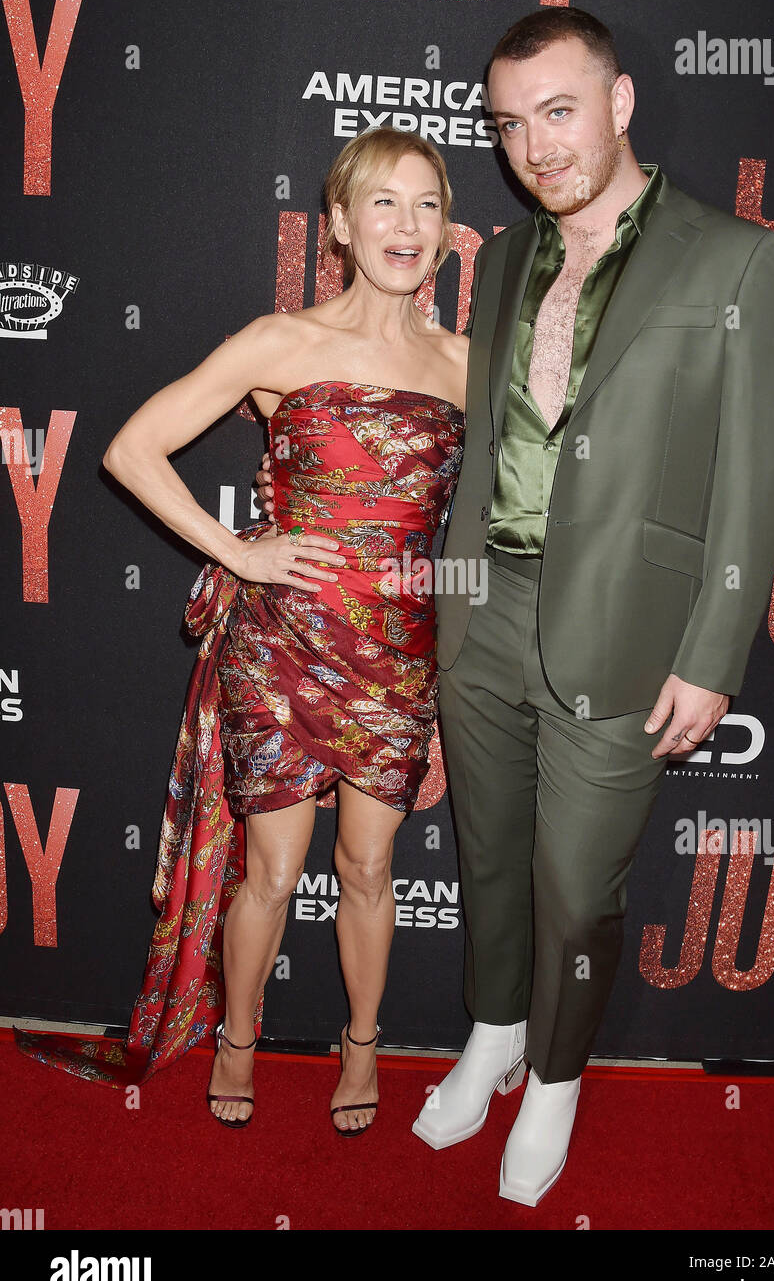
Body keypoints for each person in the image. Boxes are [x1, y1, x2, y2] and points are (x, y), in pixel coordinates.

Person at [262, 4, 774, 1207]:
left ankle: (553, 1078)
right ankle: (495, 1030)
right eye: (510, 125)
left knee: (575, 881)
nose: (536, 146)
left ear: (618, 106)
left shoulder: (736, 259)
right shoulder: (501, 255)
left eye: (558, 113)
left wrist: (714, 654)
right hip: (485, 610)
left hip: (628, 627)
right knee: (490, 853)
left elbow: (755, 482)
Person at [14, 127, 467, 1137]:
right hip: (281, 651)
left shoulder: (464, 364)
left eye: (427, 203)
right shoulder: (282, 343)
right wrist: (239, 550)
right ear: (341, 225)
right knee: (270, 869)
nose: (406, 223)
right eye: (382, 203)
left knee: (368, 869)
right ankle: (240, 1038)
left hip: (394, 662)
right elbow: (133, 449)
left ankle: (361, 1045)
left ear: (447, 231)